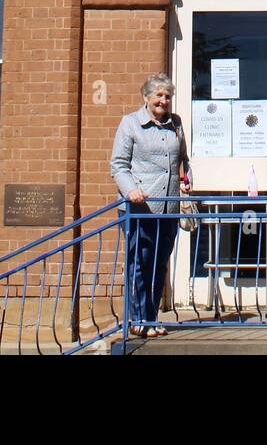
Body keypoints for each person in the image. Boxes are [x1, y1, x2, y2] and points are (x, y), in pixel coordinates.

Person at [110, 73, 192, 337]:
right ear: (146, 97)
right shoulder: (130, 124)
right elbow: (118, 165)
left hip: (169, 208)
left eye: (167, 96)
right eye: (158, 95)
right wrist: (131, 190)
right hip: (140, 208)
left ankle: (152, 318)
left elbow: (184, 160)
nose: (163, 100)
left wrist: (186, 181)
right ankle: (137, 320)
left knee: (159, 264)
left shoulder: (175, 124)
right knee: (140, 264)